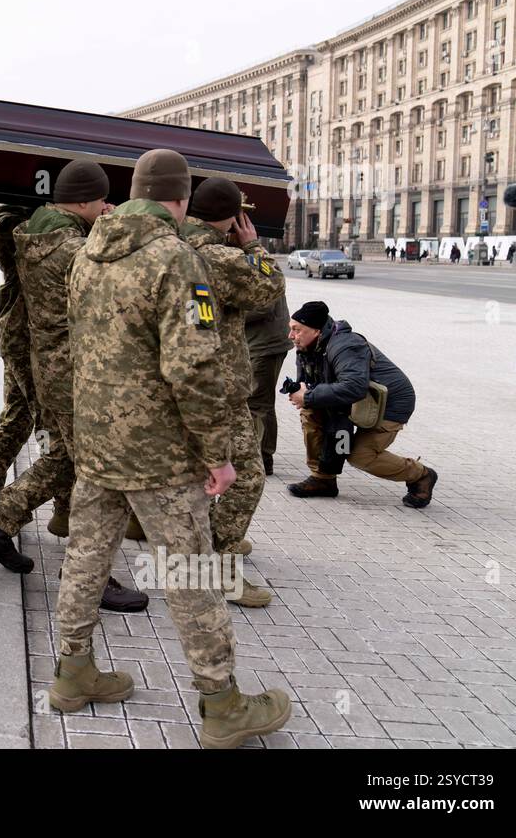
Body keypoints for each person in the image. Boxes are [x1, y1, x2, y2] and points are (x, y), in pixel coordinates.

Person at [49, 148, 290, 749]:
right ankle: (222, 703)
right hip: (159, 453)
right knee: (190, 572)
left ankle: (72, 673)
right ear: (179, 199)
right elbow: (195, 366)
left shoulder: (88, 253)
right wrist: (217, 453)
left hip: (99, 441)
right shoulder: (175, 259)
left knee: (86, 555)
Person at [0, 160, 147, 612]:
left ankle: (0, 524)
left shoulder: (34, 235)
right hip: (79, 374)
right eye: (103, 199)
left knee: (66, 458)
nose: (108, 206)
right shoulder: (75, 249)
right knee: (94, 472)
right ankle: (91, 574)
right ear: (85, 200)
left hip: (49, 368)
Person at [180, 178, 286, 606]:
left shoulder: (172, 243)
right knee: (247, 478)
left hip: (178, 381)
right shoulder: (221, 256)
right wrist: (253, 246)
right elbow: (271, 286)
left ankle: (195, 551)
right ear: (233, 216)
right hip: (219, 387)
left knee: (192, 476)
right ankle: (219, 567)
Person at [0, 204, 71, 532]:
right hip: (28, 341)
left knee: (17, 419)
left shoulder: (11, 231)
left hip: (16, 337)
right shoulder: (22, 234)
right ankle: (62, 504)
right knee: (47, 428)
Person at [286, 300, 437, 508]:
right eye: (290, 329)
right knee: (310, 412)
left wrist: (309, 396)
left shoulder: (346, 345)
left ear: (316, 330)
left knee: (360, 456)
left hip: (389, 404)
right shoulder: (307, 346)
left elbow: (353, 387)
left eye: (296, 330)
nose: (291, 336)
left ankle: (421, 475)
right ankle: (323, 479)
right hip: (355, 403)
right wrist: (301, 392)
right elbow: (310, 385)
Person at [246, 292, 291, 477]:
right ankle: (258, 454)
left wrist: (221, 309)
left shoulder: (257, 264)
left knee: (259, 403)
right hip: (255, 342)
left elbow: (264, 302)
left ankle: (263, 458)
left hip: (264, 344)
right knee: (257, 400)